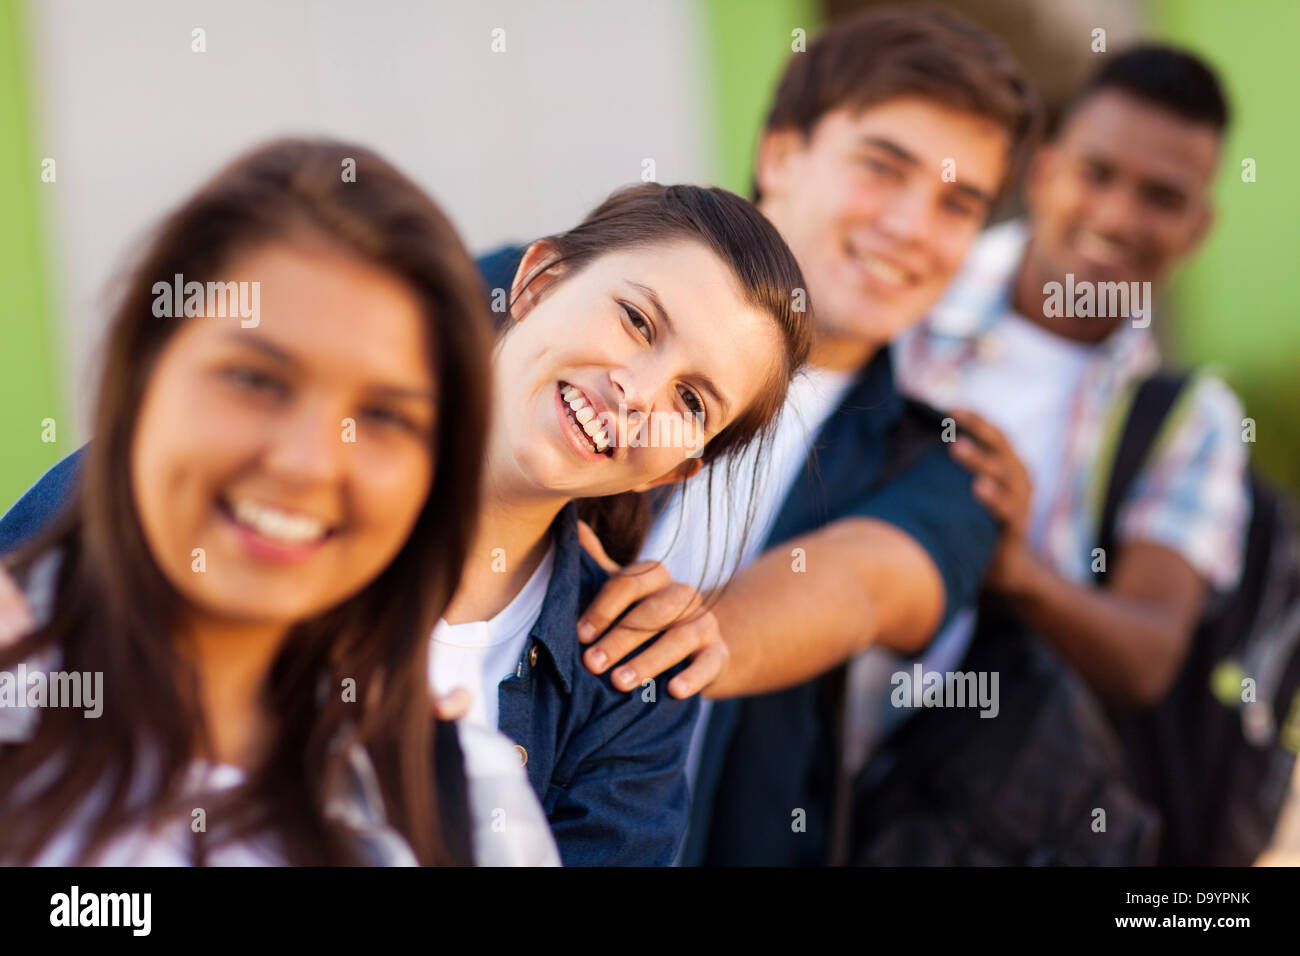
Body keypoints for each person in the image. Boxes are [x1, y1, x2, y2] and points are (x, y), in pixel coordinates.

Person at [1, 182, 814, 866]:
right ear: (537, 283)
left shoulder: (628, 688)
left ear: (676, 470)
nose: (637, 392)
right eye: (637, 320)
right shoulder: (230, 473)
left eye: (690, 400)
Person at [566, 5, 1043, 864]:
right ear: (781, 154)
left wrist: (696, 635)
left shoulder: (948, 468)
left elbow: (860, 581)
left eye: (957, 204)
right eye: (882, 168)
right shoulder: (558, 300)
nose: (911, 227)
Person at [0, 138, 560, 865]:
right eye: (256, 381)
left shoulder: (466, 798)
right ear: (142, 377)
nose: (307, 463)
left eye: (385, 417)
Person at [894, 44, 1248, 710]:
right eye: (1096, 174)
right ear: (1043, 173)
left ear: (1198, 229)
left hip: (991, 764)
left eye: (1162, 197)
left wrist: (1018, 570)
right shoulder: (905, 290)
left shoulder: (1191, 421)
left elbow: (1146, 658)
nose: (1117, 218)